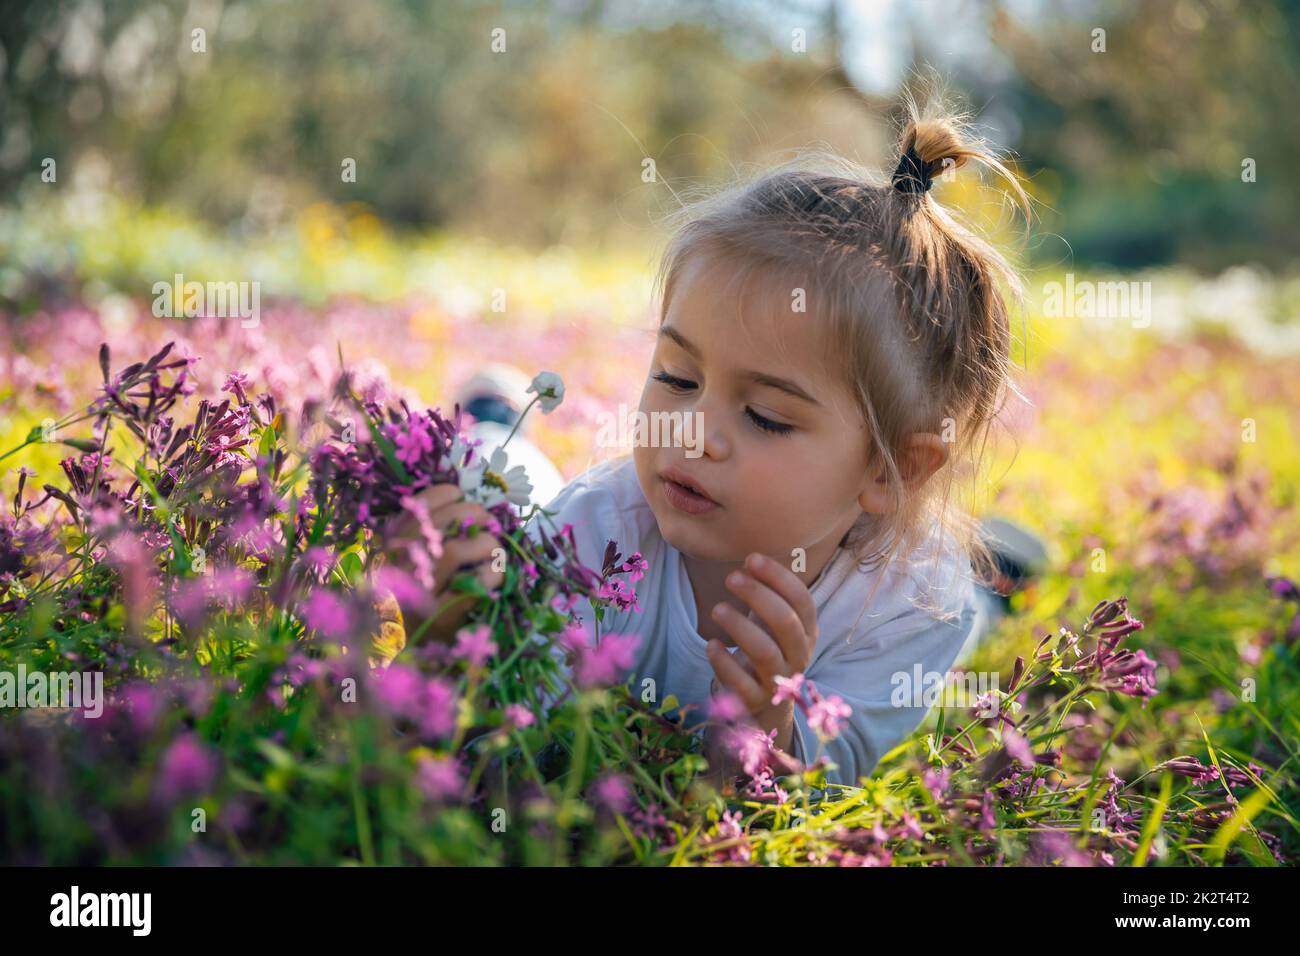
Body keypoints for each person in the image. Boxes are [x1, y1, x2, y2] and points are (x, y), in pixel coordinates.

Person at [388, 102, 1042, 790]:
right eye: (675, 377)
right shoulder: (596, 531)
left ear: (890, 468)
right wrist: (439, 646)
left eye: (764, 415)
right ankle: (495, 412)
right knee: (501, 487)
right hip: (559, 509)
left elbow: (835, 772)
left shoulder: (910, 605)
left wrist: (768, 730)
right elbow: (504, 726)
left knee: (970, 612)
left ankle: (995, 569)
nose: (689, 430)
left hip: (939, 585)